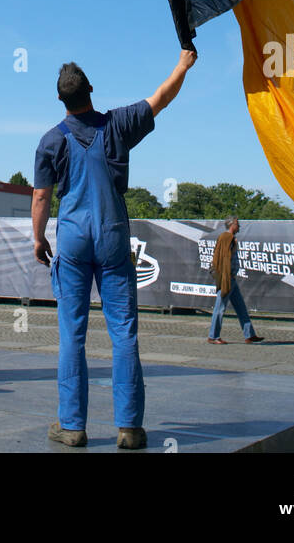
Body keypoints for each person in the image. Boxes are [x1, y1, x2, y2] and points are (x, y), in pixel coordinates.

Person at [32, 48, 198, 450]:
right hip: (112, 236)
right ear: (91, 89)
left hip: (72, 239)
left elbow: (41, 197)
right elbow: (161, 97)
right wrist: (182, 64)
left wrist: (39, 239)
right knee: (123, 333)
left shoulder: (51, 140)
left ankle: (71, 427)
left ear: (60, 99)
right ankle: (130, 428)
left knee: (72, 334)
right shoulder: (118, 124)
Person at [208, 216, 265, 344]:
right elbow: (222, 258)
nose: (239, 227)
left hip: (231, 278)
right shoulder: (226, 237)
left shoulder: (231, 239)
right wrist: (224, 277)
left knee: (241, 308)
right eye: (237, 224)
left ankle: (249, 335)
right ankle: (213, 336)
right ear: (231, 225)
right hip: (226, 278)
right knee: (220, 308)